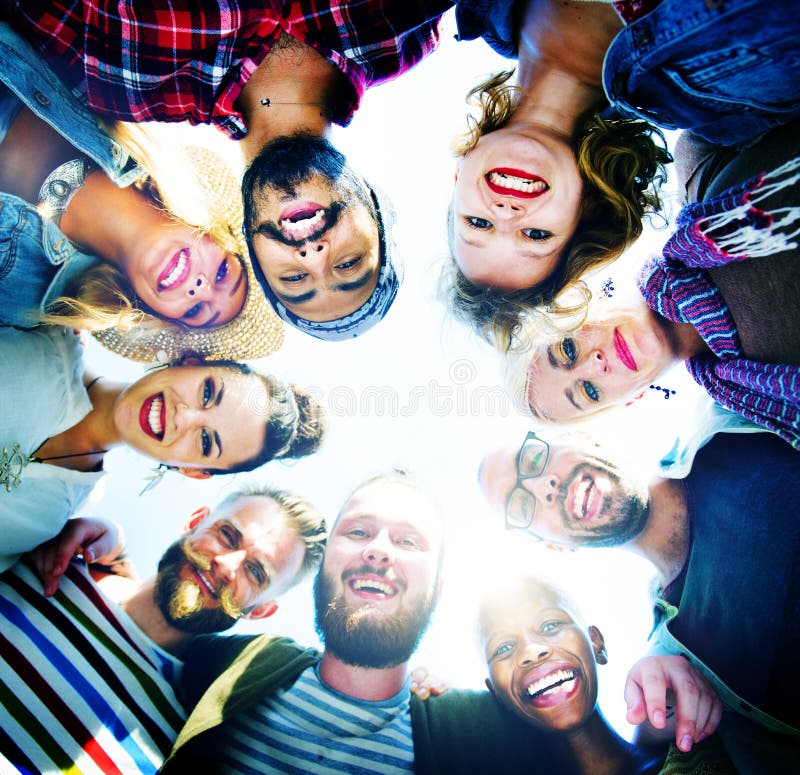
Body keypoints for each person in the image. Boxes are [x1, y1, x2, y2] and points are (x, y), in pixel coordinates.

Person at [0, 2, 452, 340]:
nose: (313, 258)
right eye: (348, 262)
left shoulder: (126, 83)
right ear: (372, 210)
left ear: (251, 244)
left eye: (293, 279)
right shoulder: (401, 31)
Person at [445, 0, 800, 349]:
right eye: (536, 235)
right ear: (587, 209)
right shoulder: (726, 106)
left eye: (477, 224)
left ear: (458, 178)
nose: (506, 215)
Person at [479, 428, 800, 771]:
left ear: (584, 435)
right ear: (556, 546)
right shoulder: (677, 660)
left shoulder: (733, 420)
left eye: (533, 459)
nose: (544, 487)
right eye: (520, 505)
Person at [505, 109, 800, 447]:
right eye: (588, 391)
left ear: (575, 300)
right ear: (632, 399)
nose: (594, 366)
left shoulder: (699, 168)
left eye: (568, 349)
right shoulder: (761, 405)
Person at [0, 26, 283, 362]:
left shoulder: (26, 302)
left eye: (195, 310)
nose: (201, 289)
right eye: (223, 272)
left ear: (156, 312)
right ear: (216, 228)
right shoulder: (129, 98)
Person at [0, 484, 327, 773]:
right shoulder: (49, 554)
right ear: (195, 521)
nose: (227, 566)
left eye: (255, 572)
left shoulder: (172, 744)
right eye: (227, 535)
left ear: (261, 611)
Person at [0, 324, 326, 572]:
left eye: (205, 441)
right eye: (208, 392)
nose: (183, 415)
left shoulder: (58, 518)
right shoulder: (43, 328)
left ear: (194, 471)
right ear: (190, 361)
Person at [479, 576, 731, 774]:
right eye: (503, 648)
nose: (532, 652)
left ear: (596, 643)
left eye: (550, 625)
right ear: (496, 694)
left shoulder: (694, 744)